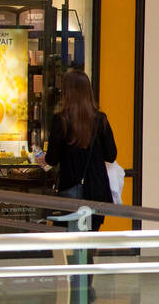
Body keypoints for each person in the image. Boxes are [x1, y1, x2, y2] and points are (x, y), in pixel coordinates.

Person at [41, 69, 117, 232]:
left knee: (71, 239)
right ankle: (87, 258)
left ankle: (80, 258)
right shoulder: (100, 119)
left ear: (67, 92)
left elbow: (52, 159)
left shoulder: (61, 120)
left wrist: (43, 159)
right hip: (97, 191)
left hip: (71, 190)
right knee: (89, 239)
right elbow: (111, 155)